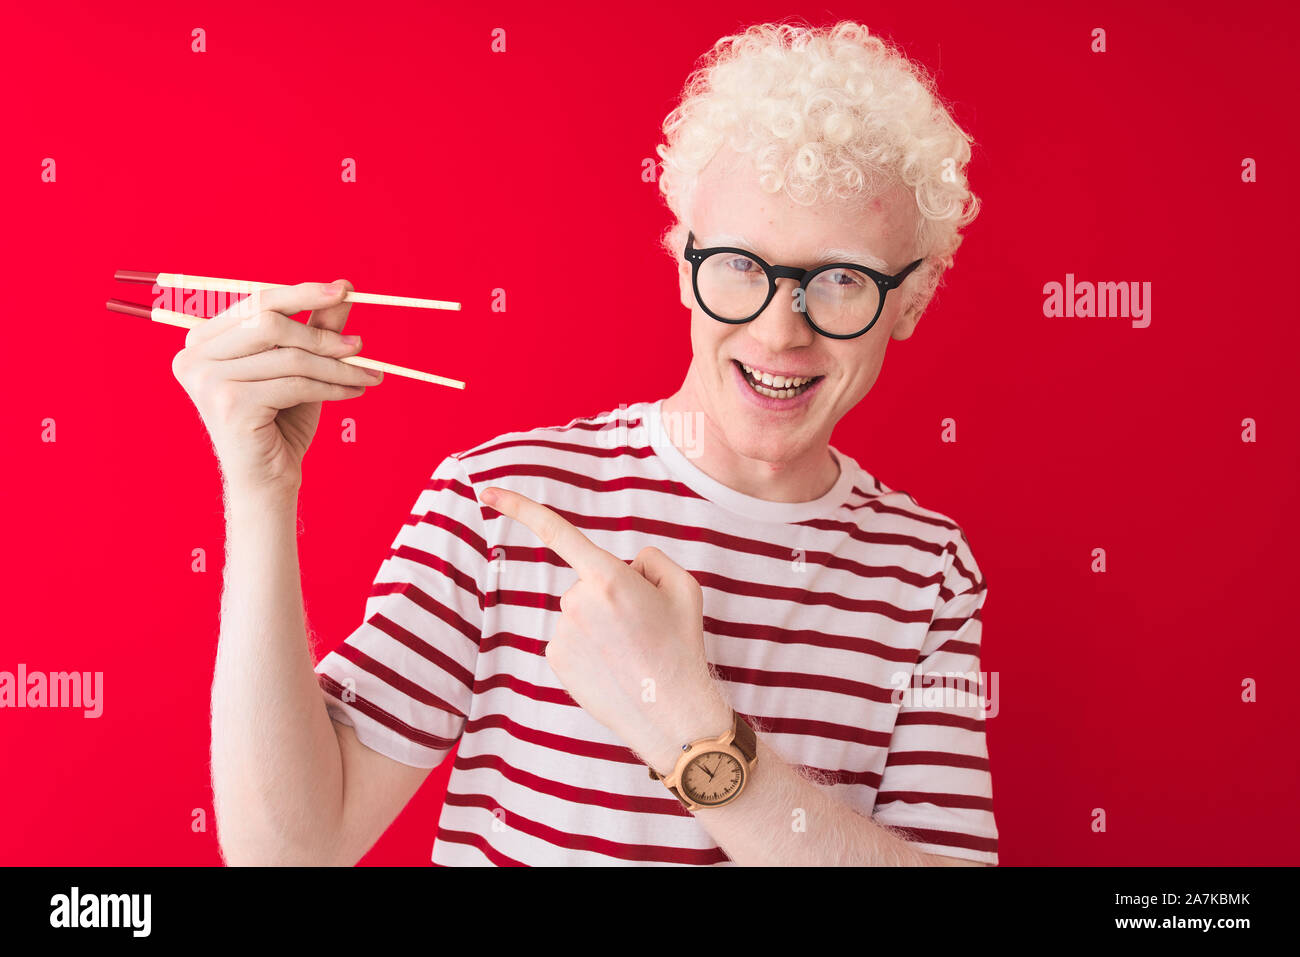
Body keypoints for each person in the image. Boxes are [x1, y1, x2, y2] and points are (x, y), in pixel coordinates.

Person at [176, 19, 997, 866]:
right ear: (684, 263)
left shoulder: (928, 571)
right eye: (740, 265)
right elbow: (285, 853)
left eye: (840, 280)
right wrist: (259, 491)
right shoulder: (501, 501)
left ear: (912, 300)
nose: (780, 330)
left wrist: (688, 727)